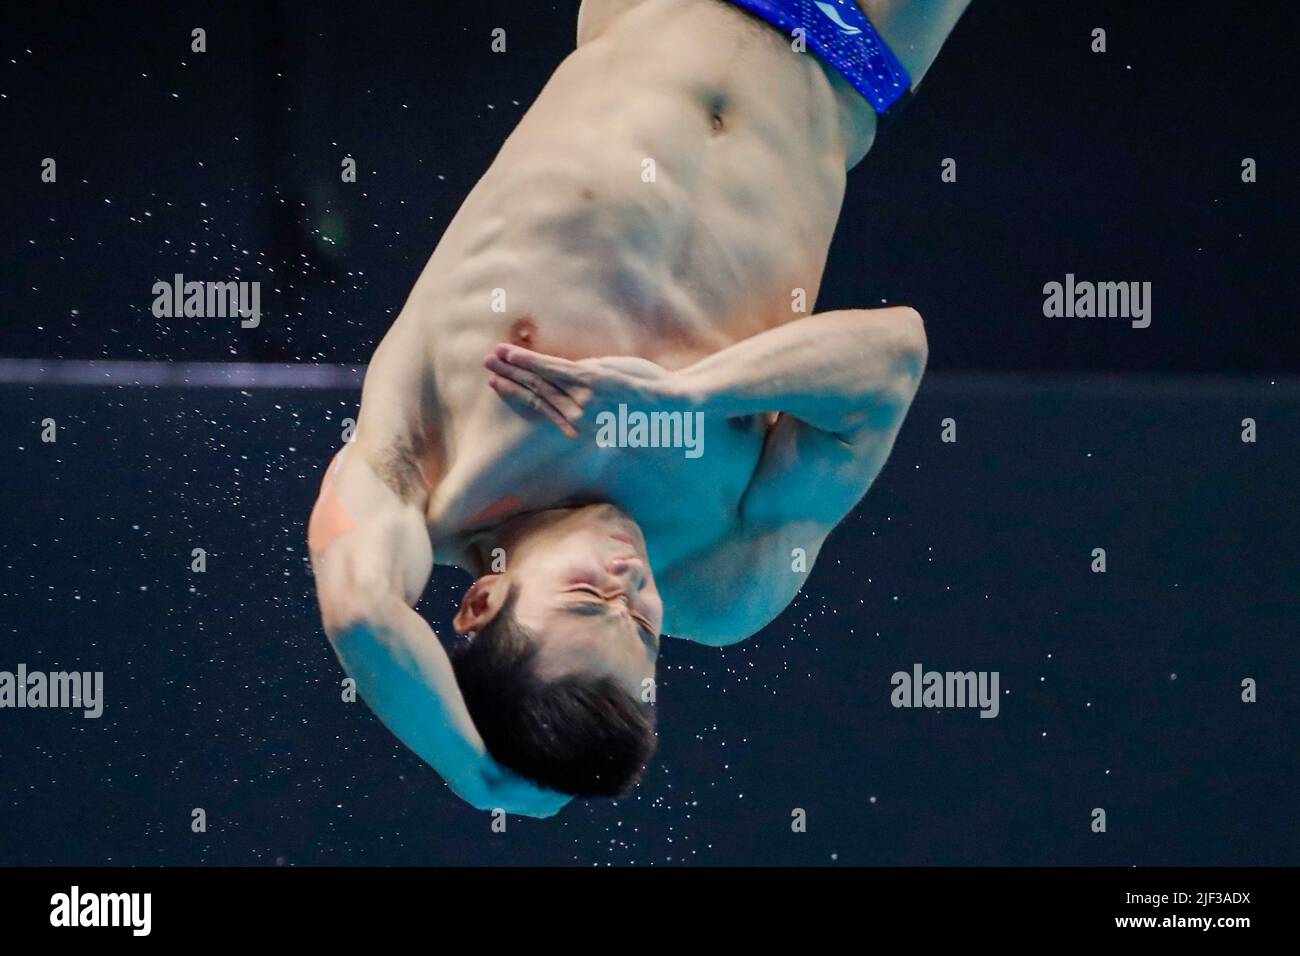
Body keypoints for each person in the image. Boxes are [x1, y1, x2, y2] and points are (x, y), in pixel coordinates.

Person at [308, 0, 971, 817]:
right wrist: (692, 395)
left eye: (591, 601)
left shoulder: (421, 473)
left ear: (482, 603)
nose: (633, 586)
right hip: (852, 44)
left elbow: (363, 614)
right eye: (646, 629)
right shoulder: (721, 580)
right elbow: (894, 354)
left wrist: (477, 776)